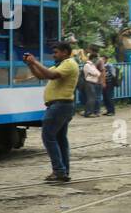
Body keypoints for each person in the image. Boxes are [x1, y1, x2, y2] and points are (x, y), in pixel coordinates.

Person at [22, 42, 80, 182]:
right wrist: (31, 64)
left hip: (60, 106)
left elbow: (51, 75)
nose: (54, 55)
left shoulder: (69, 63)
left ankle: (59, 171)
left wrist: (35, 61)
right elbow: (42, 76)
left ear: (65, 52)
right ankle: (63, 170)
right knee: (60, 139)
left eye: (56, 52)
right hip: (61, 106)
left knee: (48, 136)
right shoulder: (61, 64)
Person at [81, 51, 102, 117]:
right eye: (96, 58)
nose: (97, 60)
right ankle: (88, 113)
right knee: (91, 98)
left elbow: (98, 73)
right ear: (93, 58)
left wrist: (97, 73)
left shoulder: (92, 65)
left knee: (93, 98)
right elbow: (95, 73)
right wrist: (97, 74)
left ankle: (91, 112)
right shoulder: (87, 65)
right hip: (89, 83)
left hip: (93, 83)